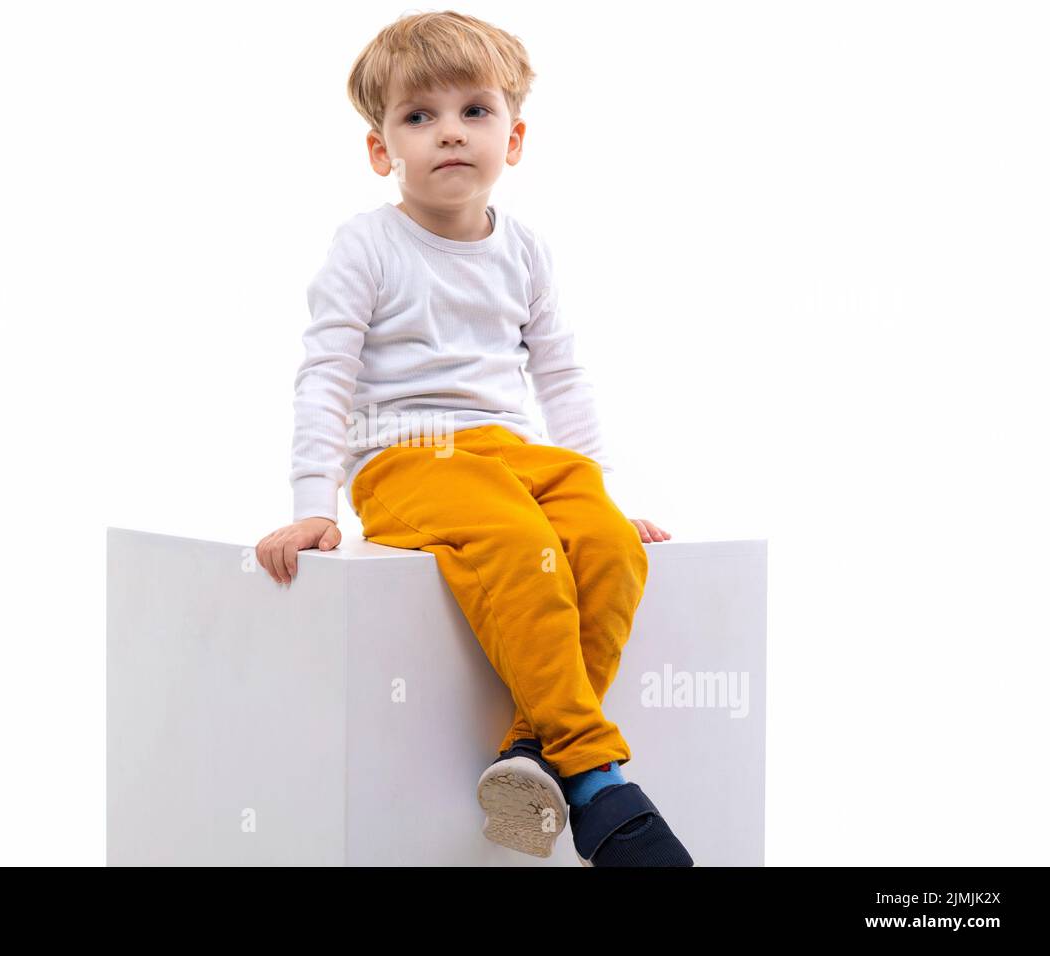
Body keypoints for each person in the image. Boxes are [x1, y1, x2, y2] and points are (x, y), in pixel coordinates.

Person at [256, 10, 692, 867]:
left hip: (511, 451)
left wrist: (600, 492)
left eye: (474, 111)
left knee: (607, 546)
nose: (450, 132)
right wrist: (314, 504)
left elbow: (560, 375)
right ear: (382, 150)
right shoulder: (367, 245)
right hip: (406, 458)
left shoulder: (525, 250)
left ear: (513, 138)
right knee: (521, 544)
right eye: (419, 116)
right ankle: (596, 778)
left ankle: (531, 751)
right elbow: (325, 373)